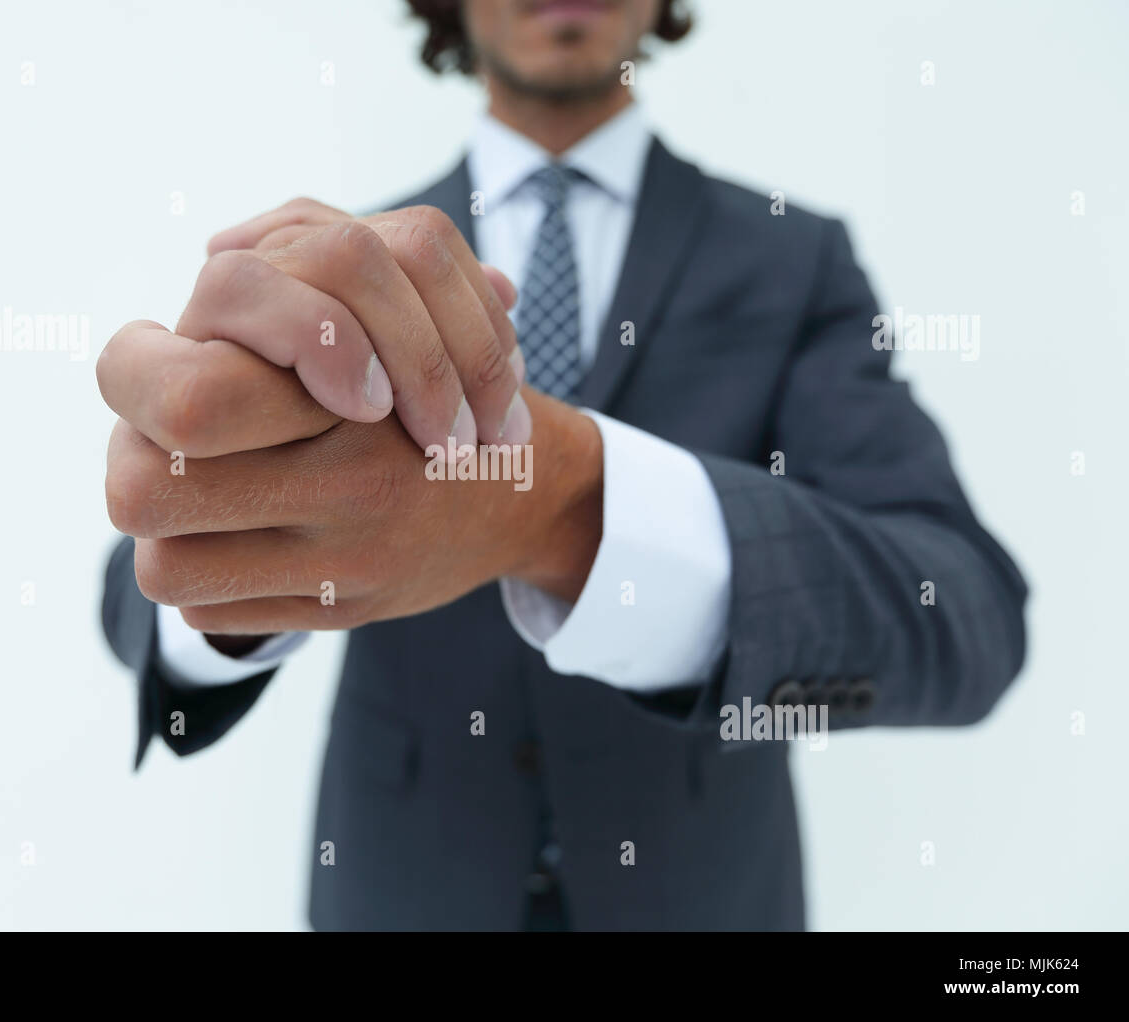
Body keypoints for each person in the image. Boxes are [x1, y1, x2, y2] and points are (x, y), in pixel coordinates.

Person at [97, 0, 1027, 931]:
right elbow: (136, 596)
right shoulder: (341, 280)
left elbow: (963, 615)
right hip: (399, 892)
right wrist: (241, 535)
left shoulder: (793, 258)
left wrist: (569, 504)